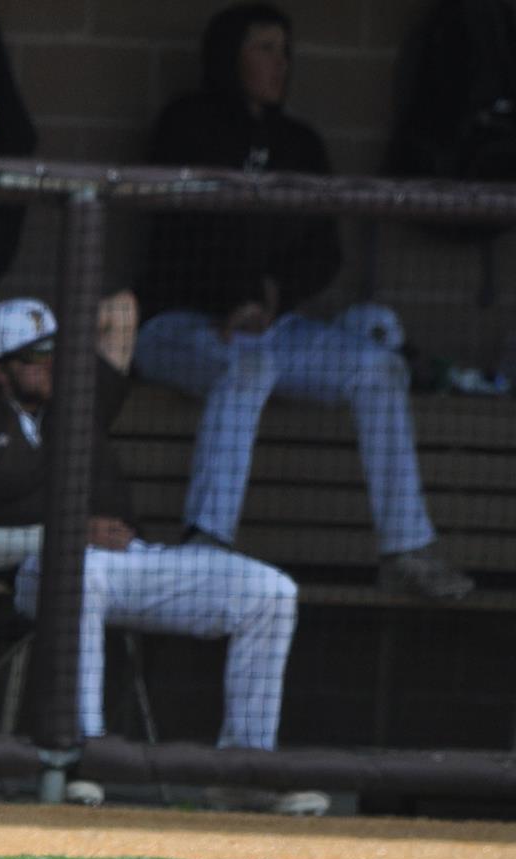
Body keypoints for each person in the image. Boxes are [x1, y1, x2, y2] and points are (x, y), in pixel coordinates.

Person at [0, 293, 329, 816]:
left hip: (132, 561)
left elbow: (121, 311)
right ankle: (85, 757)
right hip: (38, 574)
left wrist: (63, 323)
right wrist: (67, 536)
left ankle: (244, 771)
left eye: (58, 352)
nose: (52, 365)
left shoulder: (81, 410)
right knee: (81, 571)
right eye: (35, 356)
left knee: (271, 592)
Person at [132, 2, 473, 602]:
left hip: (272, 324)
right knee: (247, 365)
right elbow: (178, 231)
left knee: (378, 368)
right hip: (180, 325)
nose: (279, 63)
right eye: (264, 48)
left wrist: (271, 294)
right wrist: (232, 299)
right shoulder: (184, 124)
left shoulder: (300, 143)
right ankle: (205, 548)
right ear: (228, 54)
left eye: (285, 51)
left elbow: (324, 251)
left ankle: (406, 549)